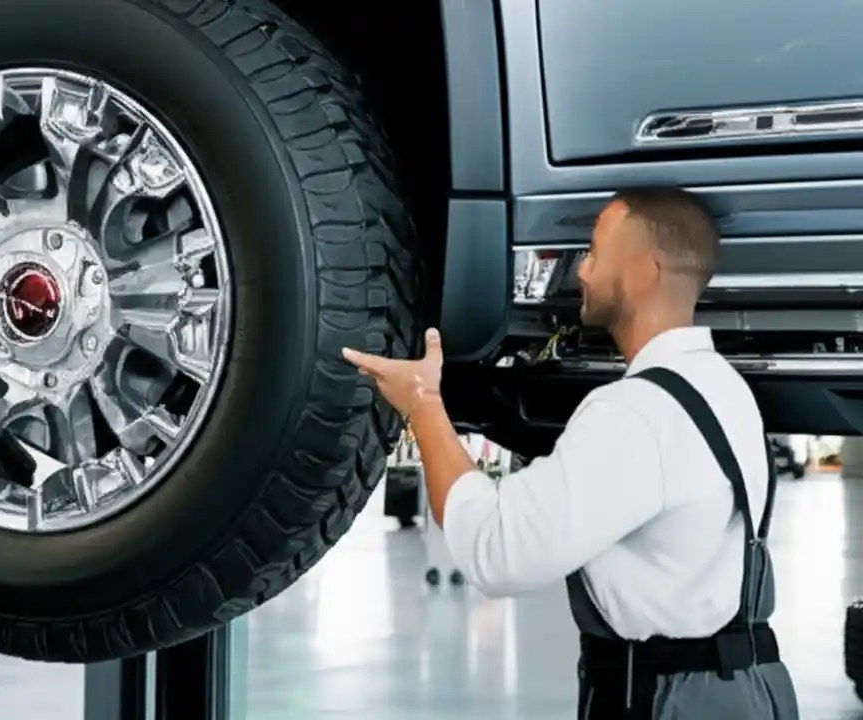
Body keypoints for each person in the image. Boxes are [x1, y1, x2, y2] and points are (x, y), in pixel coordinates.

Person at [342, 187, 799, 719]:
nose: (580, 270)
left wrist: (423, 403)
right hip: (747, 691)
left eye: (595, 251)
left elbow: (495, 551)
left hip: (667, 703)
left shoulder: (635, 413)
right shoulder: (724, 388)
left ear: (644, 272)